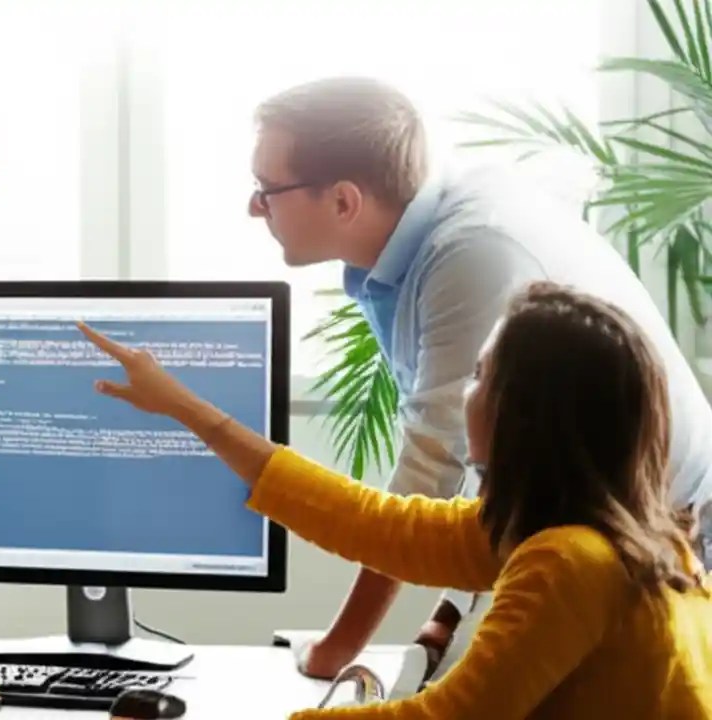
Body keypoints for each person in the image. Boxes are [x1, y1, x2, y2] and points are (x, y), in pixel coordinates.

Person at [237, 75, 712, 680]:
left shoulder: (470, 256)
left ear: (343, 201)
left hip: (671, 531)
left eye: (265, 188)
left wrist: (337, 652)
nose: (254, 207)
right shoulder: (425, 241)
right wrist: (447, 618)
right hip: (610, 526)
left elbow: (424, 482)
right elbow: (497, 462)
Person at [76, 281, 712, 718]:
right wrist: (182, 405)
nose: (465, 391)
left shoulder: (572, 562)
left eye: (478, 375)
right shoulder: (635, 543)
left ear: (524, 414)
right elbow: (366, 522)